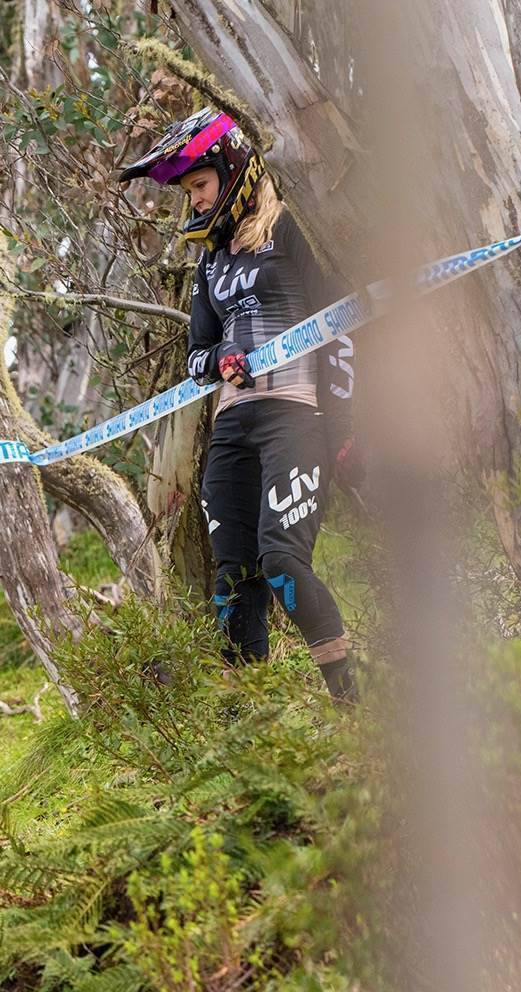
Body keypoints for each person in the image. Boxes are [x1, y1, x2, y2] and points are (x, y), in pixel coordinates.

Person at [120, 108, 359, 702]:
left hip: (297, 415)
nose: (194, 203)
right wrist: (219, 362)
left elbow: (342, 323)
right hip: (231, 427)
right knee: (234, 578)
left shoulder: (290, 229)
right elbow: (196, 353)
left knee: (281, 561)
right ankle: (249, 724)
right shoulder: (211, 260)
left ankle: (351, 698)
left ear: (231, 170)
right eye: (188, 192)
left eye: (198, 186)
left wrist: (347, 426)